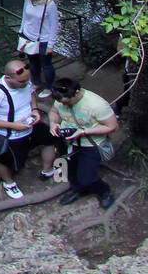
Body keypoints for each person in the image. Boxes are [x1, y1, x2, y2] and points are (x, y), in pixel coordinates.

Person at [0, 57, 54, 200]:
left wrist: (35, 109)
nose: (26, 83)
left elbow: (32, 93)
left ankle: (48, 169)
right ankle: (8, 183)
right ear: (8, 78)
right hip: (11, 135)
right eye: (22, 81)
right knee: (6, 160)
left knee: (50, 139)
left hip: (31, 125)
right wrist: (14, 125)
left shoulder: (25, 81)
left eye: (28, 80)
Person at [45, 75, 119, 209]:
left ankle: (104, 192)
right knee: (70, 171)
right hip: (69, 142)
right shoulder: (61, 98)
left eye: (67, 102)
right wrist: (53, 123)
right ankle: (78, 189)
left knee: (87, 178)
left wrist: (84, 131)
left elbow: (112, 126)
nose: (63, 105)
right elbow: (54, 111)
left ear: (76, 93)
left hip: (90, 144)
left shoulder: (97, 105)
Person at [18, 0, 63, 77]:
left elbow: (54, 26)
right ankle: (36, 83)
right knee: (33, 63)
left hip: (43, 40)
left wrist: (50, 46)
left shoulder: (49, 4)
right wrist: (21, 32)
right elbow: (24, 16)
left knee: (46, 65)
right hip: (28, 36)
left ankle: (48, 87)